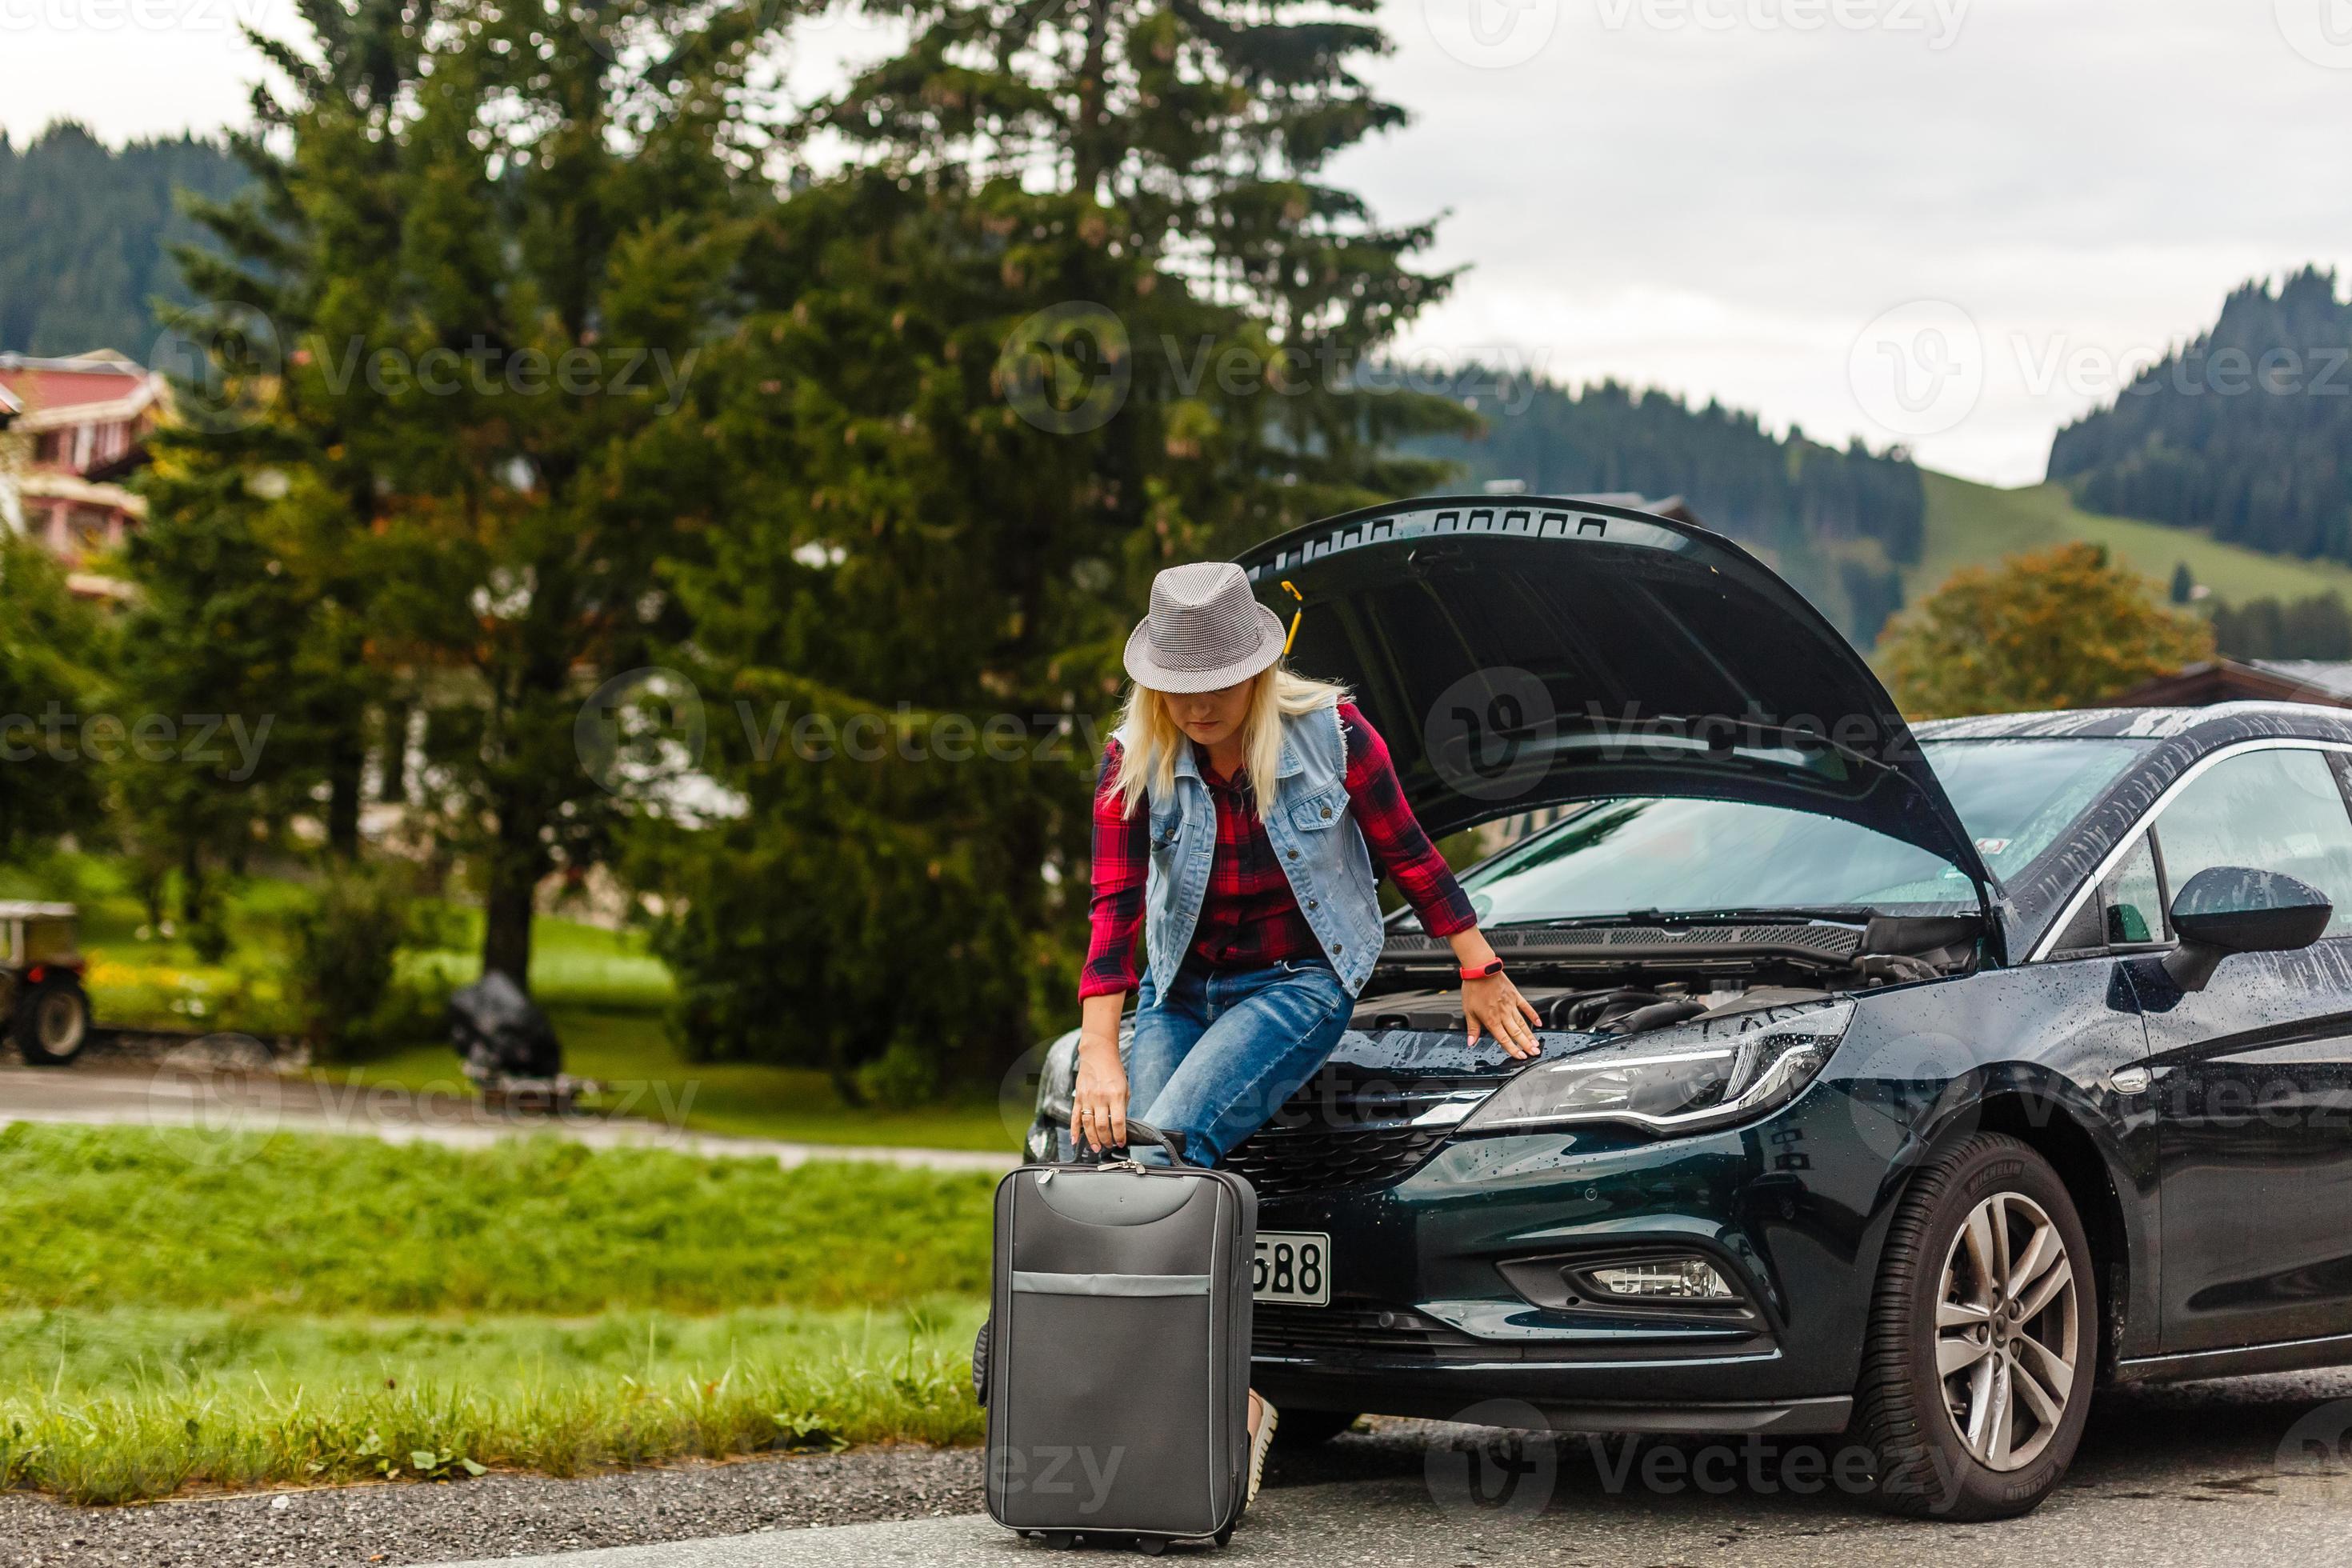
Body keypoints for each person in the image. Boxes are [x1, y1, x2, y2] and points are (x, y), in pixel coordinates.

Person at [1073, 559, 1543, 1509]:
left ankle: (1193, 1401)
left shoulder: (1333, 736)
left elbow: (1407, 850)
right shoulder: (1134, 759)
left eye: (1215, 683)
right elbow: (1114, 909)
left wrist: (1478, 964)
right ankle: (1200, 1402)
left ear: (1257, 666)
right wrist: (1099, 1050)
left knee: (1170, 1151)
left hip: (1298, 979)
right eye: (1178, 686)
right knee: (1130, 1166)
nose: (1197, 706)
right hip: (1180, 989)